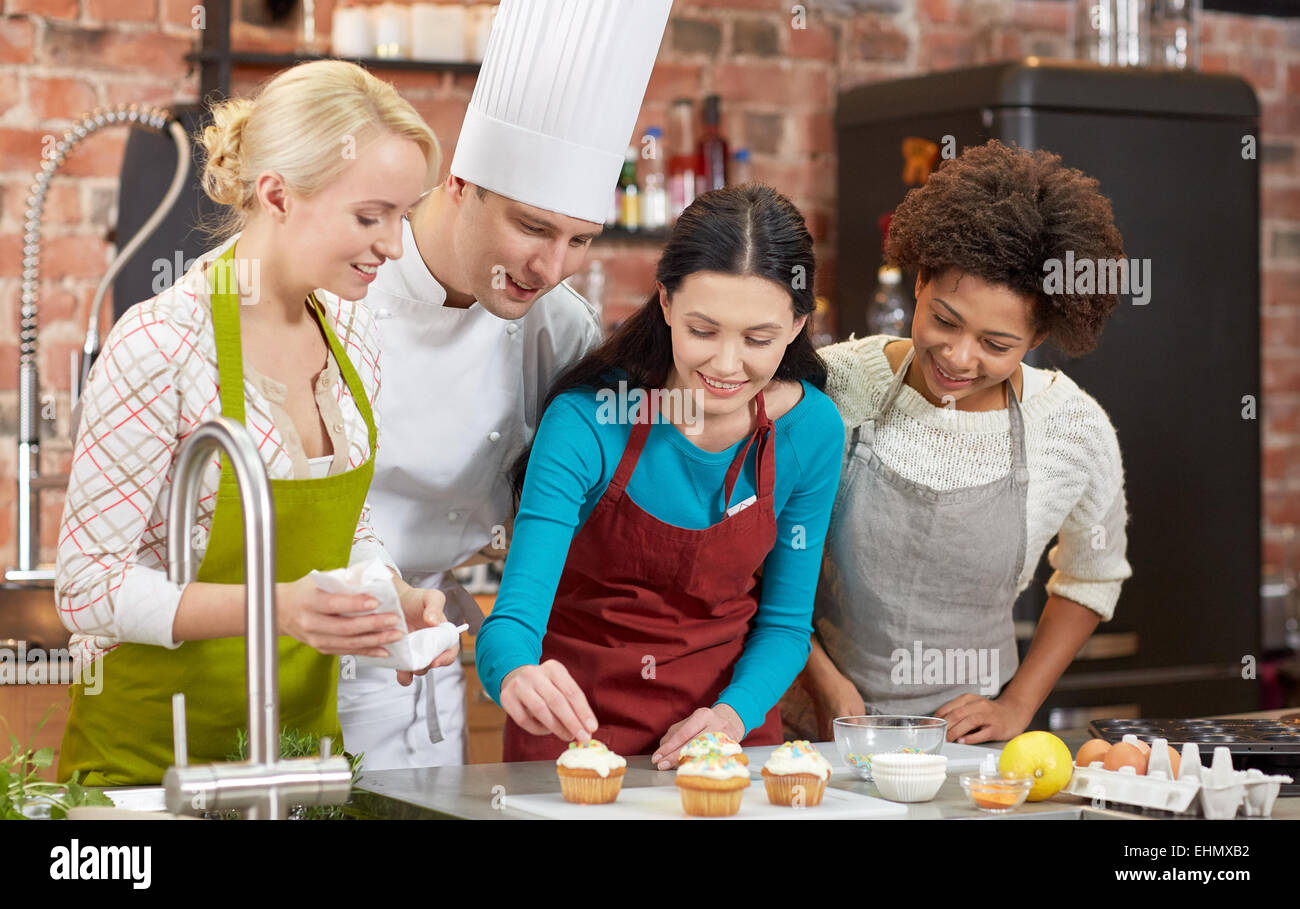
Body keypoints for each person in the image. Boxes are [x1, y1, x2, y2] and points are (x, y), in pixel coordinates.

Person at [55, 61, 456, 786]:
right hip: (152, 771)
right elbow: (87, 587)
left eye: (404, 214)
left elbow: (350, 527)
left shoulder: (353, 336)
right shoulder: (163, 345)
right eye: (371, 216)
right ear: (276, 194)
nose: (395, 246)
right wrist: (279, 608)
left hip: (299, 768)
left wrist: (387, 600)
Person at [336, 0, 672, 770]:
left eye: (580, 240)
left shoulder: (561, 329)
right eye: (531, 227)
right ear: (459, 182)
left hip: (420, 661)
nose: (550, 268)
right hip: (294, 640)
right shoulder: (347, 289)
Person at [475, 184, 845, 769]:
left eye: (758, 339)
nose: (726, 366)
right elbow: (512, 622)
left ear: (798, 325)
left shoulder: (813, 430)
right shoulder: (589, 420)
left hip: (727, 742)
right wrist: (516, 674)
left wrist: (729, 718)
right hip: (576, 743)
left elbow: (784, 625)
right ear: (666, 304)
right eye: (702, 330)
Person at [796, 140, 1133, 745]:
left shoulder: (1073, 429)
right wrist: (821, 681)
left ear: (1037, 337)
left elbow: (1091, 575)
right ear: (919, 280)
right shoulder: (836, 384)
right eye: (944, 320)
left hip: (970, 751)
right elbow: (758, 550)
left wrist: (1018, 704)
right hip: (818, 727)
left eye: (996, 345)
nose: (958, 357)